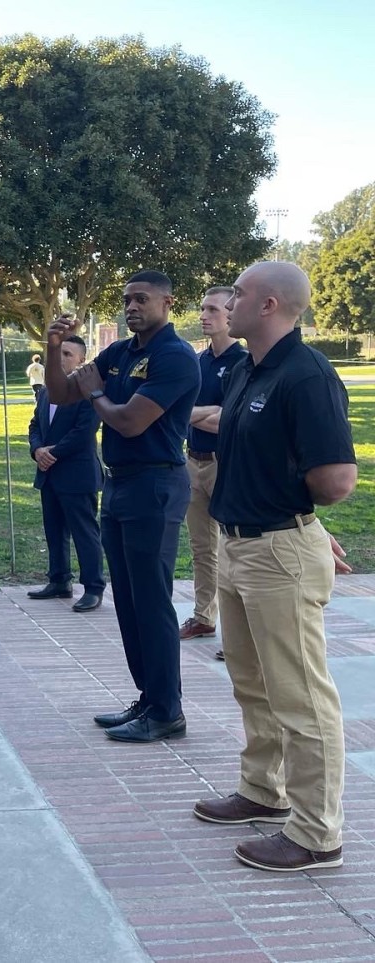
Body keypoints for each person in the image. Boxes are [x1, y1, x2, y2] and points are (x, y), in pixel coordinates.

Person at [193, 261, 356, 873]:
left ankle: (317, 833)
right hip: (240, 547)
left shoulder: (306, 375)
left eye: (235, 293)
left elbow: (335, 479)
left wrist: (302, 526)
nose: (225, 301)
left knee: (302, 697)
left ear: (268, 305)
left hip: (277, 553)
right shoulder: (245, 369)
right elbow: (256, 456)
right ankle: (264, 790)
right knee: (251, 682)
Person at [46, 270, 199, 743]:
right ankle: (149, 698)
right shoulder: (122, 352)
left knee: (151, 601)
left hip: (155, 485)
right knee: (129, 601)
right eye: (127, 300)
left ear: (167, 303)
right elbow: (59, 392)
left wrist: (95, 392)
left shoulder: (174, 357)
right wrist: (55, 347)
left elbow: (130, 422)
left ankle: (167, 710)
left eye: (142, 299)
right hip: (118, 487)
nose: (131, 307)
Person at [179, 287, 248, 645]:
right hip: (193, 462)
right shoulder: (197, 362)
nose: (203, 315)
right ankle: (204, 617)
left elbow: (230, 421)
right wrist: (208, 414)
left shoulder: (243, 363)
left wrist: (190, 415)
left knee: (233, 548)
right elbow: (201, 414)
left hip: (228, 465)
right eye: (201, 308)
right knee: (202, 548)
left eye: (211, 309)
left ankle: (239, 636)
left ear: (230, 313)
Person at [26, 335, 105, 612]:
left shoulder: (88, 390)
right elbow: (35, 425)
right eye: (58, 353)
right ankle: (59, 580)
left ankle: (93, 587)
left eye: (68, 354)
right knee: (54, 531)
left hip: (76, 474)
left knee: (85, 533)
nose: (61, 358)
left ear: (82, 359)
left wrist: (52, 453)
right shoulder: (47, 390)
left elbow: (84, 432)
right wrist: (37, 450)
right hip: (49, 475)